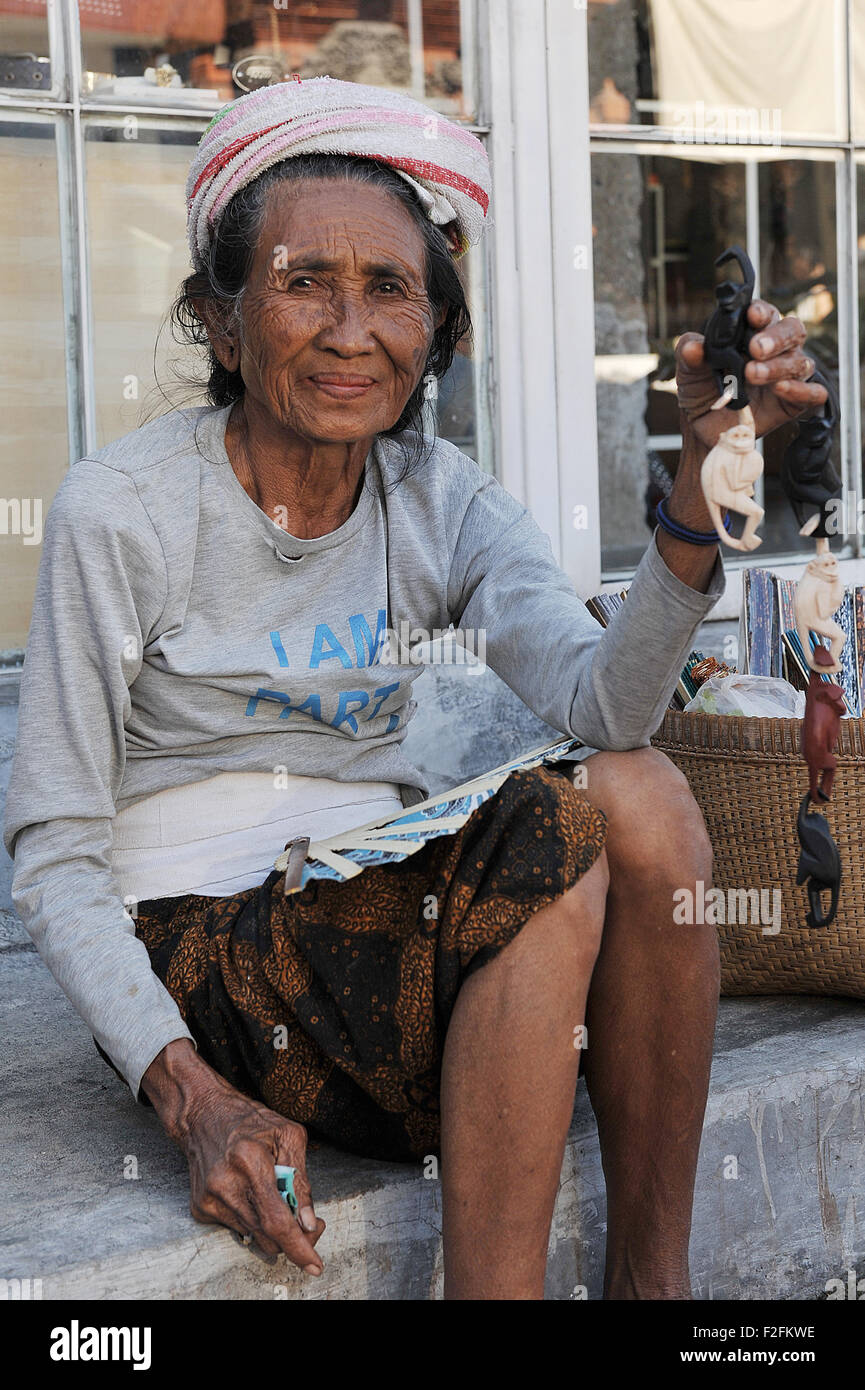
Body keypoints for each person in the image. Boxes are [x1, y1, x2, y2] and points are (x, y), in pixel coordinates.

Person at [2, 76, 825, 1300]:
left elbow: (609, 707)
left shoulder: (440, 499)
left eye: (391, 288)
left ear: (433, 329)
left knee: (639, 792)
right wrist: (194, 1102)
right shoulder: (120, 513)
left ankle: (657, 1291)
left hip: (379, 911)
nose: (351, 331)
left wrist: (700, 485)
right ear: (221, 324)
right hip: (205, 947)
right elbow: (58, 857)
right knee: (550, 844)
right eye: (301, 282)